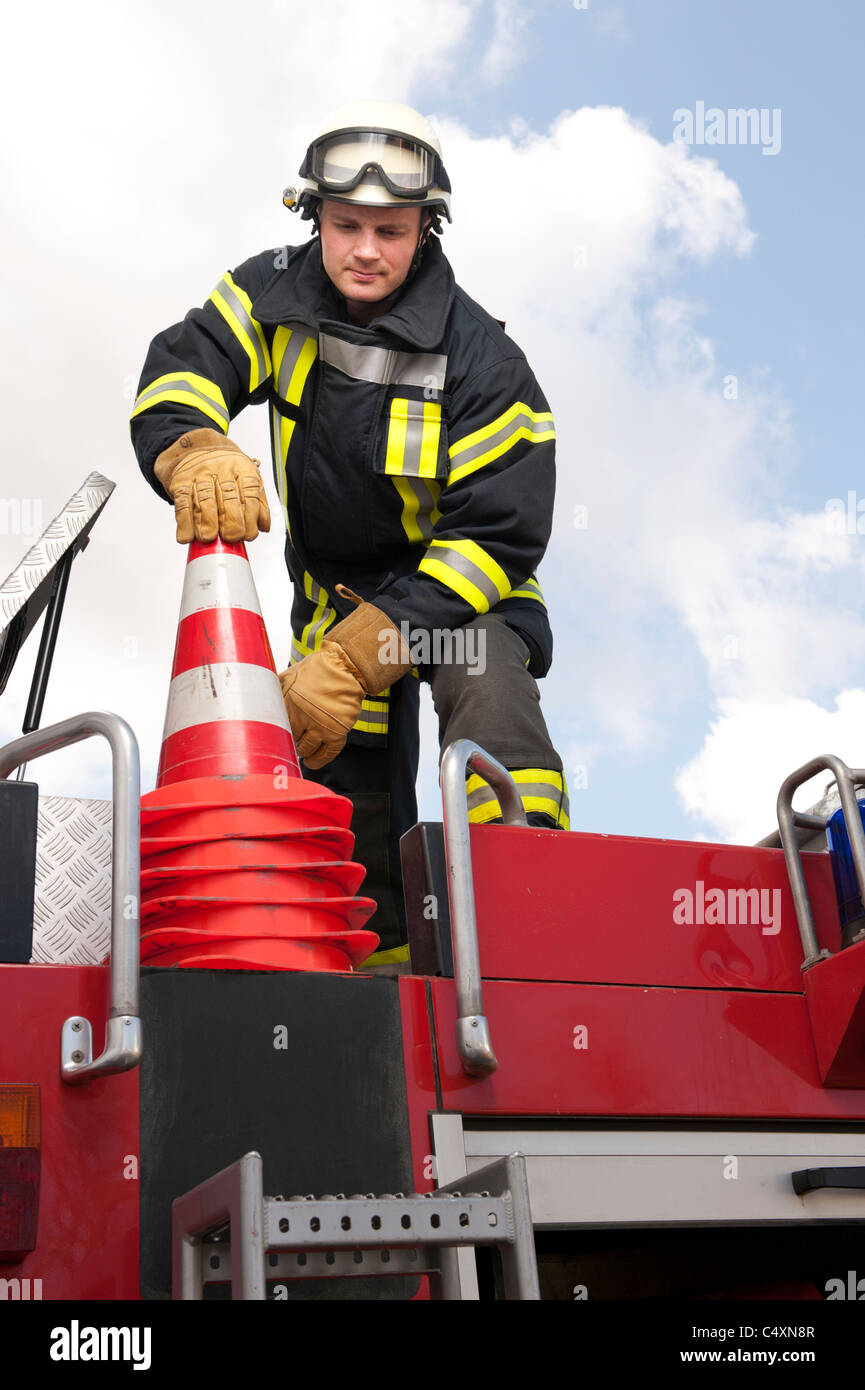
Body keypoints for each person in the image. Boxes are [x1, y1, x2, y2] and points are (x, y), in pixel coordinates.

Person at [130, 101, 568, 969]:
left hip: (461, 595)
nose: (366, 249)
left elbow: (497, 533)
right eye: (346, 225)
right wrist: (194, 445)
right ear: (313, 219)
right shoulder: (271, 290)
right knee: (346, 797)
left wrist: (362, 655)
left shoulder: (485, 363)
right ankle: (367, 987)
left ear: (426, 229)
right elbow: (183, 367)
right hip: (334, 606)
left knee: (488, 696)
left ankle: (528, 917)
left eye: (391, 230)